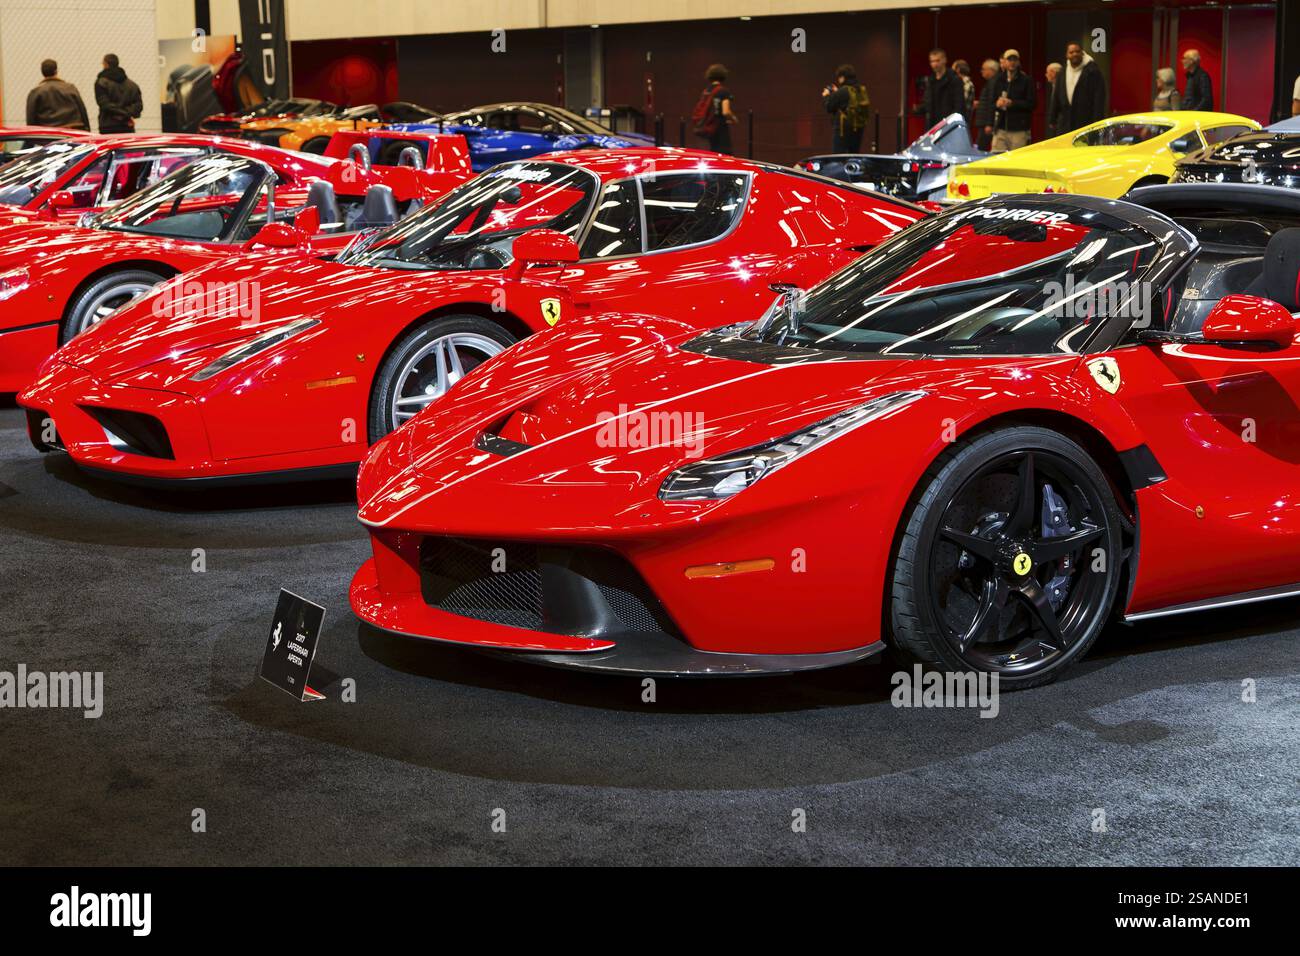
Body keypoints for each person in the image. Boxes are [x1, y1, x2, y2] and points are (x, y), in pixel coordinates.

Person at [1052, 42, 1107, 133]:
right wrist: (1052, 118)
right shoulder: (1062, 72)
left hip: (1086, 123)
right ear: (1067, 55)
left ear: (1082, 53)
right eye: (1071, 52)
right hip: (1065, 124)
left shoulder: (1093, 71)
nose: (1074, 54)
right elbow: (1056, 96)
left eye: (1077, 51)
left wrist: (1098, 121)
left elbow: (1099, 97)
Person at [25, 59, 89, 130]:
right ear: (56, 71)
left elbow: (30, 118)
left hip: (48, 132)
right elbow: (82, 110)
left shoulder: (35, 92)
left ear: (42, 72)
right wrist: (87, 129)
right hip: (73, 129)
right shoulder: (70, 88)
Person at [991, 49, 1035, 152]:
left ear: (1018, 62)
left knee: (1017, 159)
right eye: (1009, 60)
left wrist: (1012, 103)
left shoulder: (1026, 80)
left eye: (1014, 60)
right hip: (1000, 128)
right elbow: (991, 103)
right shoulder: (998, 80)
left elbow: (1032, 104)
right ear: (1004, 62)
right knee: (997, 157)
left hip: (1019, 130)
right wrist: (997, 104)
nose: (1012, 62)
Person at [822, 64, 870, 153]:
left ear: (842, 77)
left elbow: (829, 107)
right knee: (853, 155)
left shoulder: (843, 91)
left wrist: (826, 96)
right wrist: (837, 92)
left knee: (838, 157)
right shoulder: (860, 89)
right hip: (858, 128)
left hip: (843, 130)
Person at [692, 63, 736, 155]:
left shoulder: (706, 91)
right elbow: (726, 111)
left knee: (711, 154)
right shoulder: (723, 91)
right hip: (719, 129)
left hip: (707, 128)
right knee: (725, 155)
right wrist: (734, 119)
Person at [94, 54, 143, 134]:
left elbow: (104, 104)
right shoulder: (132, 85)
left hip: (107, 126)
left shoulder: (101, 83)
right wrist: (126, 114)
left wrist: (119, 114)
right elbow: (138, 106)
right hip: (127, 125)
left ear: (106, 64)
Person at [920, 48, 965, 129]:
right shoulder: (930, 80)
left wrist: (952, 123)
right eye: (932, 61)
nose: (934, 64)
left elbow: (959, 105)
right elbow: (927, 102)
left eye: (937, 60)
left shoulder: (954, 79)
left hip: (949, 124)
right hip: (932, 124)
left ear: (944, 60)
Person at [973, 58, 999, 151]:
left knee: (981, 149)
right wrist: (980, 104)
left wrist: (989, 124)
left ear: (992, 70)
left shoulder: (994, 83)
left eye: (984, 69)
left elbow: (992, 103)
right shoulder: (991, 82)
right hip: (985, 122)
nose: (981, 71)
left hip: (986, 123)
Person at [1045, 62, 1063, 137]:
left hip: (1061, 124)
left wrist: (1053, 120)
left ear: (1053, 73)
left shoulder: (1062, 87)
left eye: (1047, 72)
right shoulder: (1054, 86)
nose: (1046, 75)